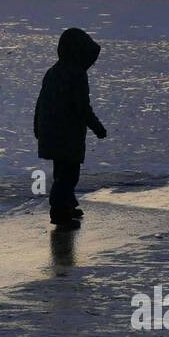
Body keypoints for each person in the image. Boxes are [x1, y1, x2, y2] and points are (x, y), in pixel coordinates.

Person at [34, 28, 106, 229]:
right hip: (67, 135)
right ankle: (59, 211)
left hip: (52, 132)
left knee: (62, 173)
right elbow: (82, 107)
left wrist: (38, 127)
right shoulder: (77, 75)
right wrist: (97, 127)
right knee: (68, 176)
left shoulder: (53, 71)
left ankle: (67, 204)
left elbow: (40, 103)